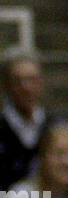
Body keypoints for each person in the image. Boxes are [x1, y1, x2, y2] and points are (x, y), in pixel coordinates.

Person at [0, 54, 49, 189]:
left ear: (41, 83)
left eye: (32, 79)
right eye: (18, 81)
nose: (26, 88)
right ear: (6, 86)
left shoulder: (54, 127)